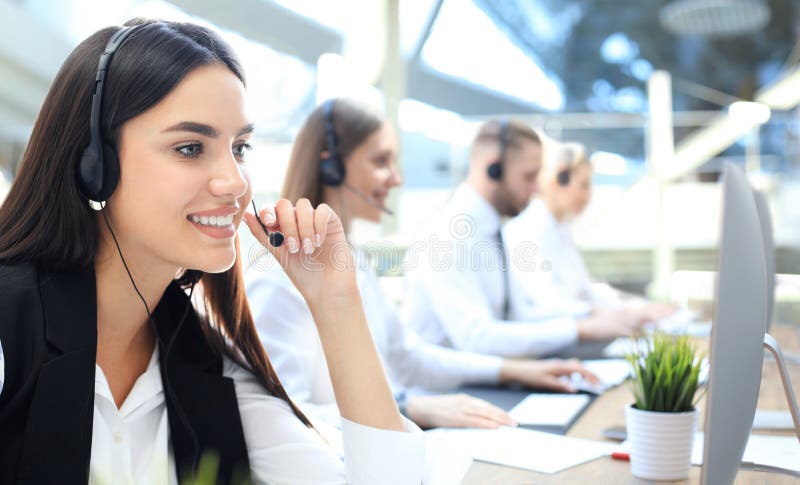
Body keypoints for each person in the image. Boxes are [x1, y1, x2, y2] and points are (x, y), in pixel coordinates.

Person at [0, 20, 424, 484]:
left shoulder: (202, 359)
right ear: (94, 165)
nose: (236, 182)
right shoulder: (10, 330)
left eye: (240, 147)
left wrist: (337, 305)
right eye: (189, 147)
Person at [245, 99, 595, 436]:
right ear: (330, 166)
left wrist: (513, 371)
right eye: (381, 161)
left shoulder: (353, 259)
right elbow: (284, 416)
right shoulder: (278, 276)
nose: (396, 178)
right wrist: (410, 409)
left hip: (389, 440)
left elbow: (407, 357)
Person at [402, 120, 648, 359]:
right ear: (493, 169)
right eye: (529, 176)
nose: (537, 189)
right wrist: (579, 328)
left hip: (483, 384)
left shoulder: (492, 231)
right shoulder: (447, 235)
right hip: (443, 395)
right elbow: (475, 337)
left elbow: (522, 314)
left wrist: (599, 320)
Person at [504, 141, 675, 323]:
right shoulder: (525, 231)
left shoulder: (560, 229)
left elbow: (587, 289)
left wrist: (637, 307)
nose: (589, 195)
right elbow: (550, 305)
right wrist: (619, 314)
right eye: (584, 185)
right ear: (558, 179)